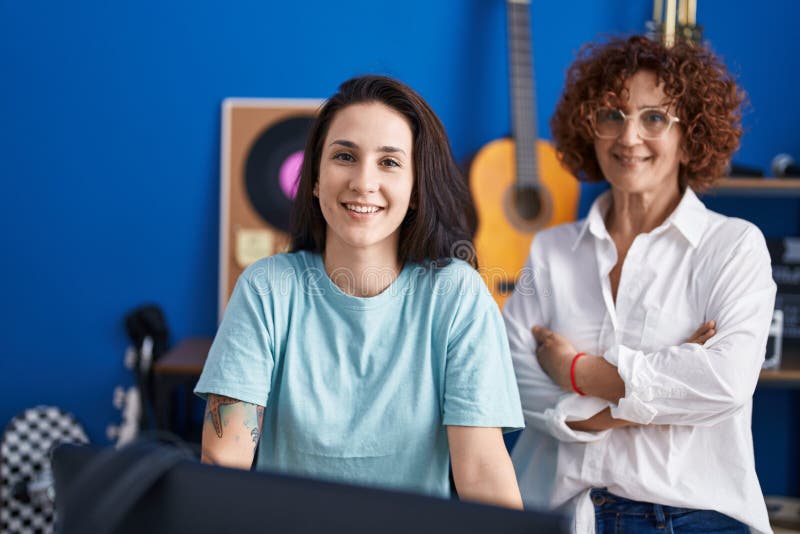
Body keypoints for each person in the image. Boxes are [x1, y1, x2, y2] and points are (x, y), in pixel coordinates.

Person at [195, 75, 524, 509]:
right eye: (345, 156)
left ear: (415, 189)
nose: (363, 182)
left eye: (389, 162)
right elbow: (223, 460)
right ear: (313, 179)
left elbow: (482, 472)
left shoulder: (457, 295)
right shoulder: (267, 288)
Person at [504, 36, 775, 533]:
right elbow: (516, 385)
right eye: (611, 115)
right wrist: (652, 396)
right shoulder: (549, 250)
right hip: (560, 513)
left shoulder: (734, 246)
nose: (628, 138)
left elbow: (724, 383)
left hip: (691, 516)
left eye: (654, 118)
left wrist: (577, 371)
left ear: (689, 135)